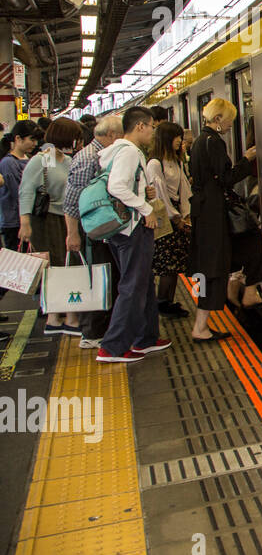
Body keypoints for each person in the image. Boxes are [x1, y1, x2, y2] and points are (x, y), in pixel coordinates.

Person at [96, 107, 170, 364]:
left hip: (124, 228)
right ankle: (112, 347)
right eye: (151, 127)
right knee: (133, 286)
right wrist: (145, 207)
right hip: (132, 229)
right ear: (140, 126)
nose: (152, 132)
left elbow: (124, 185)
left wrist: (142, 193)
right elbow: (116, 186)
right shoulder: (128, 151)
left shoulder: (116, 150)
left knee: (143, 282)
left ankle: (145, 338)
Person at [189, 97, 256, 341]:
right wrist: (246, 160)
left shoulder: (199, 141)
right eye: (229, 121)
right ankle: (201, 327)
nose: (230, 126)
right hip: (214, 215)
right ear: (218, 119)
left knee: (210, 267)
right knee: (214, 267)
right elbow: (226, 179)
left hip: (204, 212)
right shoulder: (213, 142)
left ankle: (203, 323)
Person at [64, 114, 124, 349]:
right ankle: (92, 332)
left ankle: (101, 328)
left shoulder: (99, 155)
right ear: (111, 135)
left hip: (98, 227)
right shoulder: (88, 158)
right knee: (95, 278)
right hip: (89, 229)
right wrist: (73, 233)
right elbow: (71, 200)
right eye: (121, 136)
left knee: (105, 276)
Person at [18, 117, 83, 336]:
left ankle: (60, 317)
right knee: (54, 268)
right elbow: (26, 190)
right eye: (74, 137)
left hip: (65, 218)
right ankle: (58, 318)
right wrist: (24, 223)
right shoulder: (43, 160)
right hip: (46, 221)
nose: (77, 141)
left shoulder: (65, 159)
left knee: (64, 265)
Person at [146, 121, 192, 318]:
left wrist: (187, 213)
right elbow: (160, 196)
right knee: (168, 265)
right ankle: (162, 302)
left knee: (176, 264)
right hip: (166, 220)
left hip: (179, 216)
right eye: (176, 137)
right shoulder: (155, 164)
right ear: (166, 139)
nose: (180, 141)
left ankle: (169, 301)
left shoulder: (177, 160)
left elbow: (183, 188)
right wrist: (176, 218)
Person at [0, 121, 40, 249]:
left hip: (27, 218)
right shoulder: (8, 163)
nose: (35, 144)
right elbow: (19, 192)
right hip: (14, 222)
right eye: (32, 139)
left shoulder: (28, 159)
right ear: (18, 138)